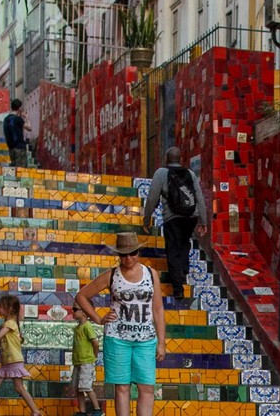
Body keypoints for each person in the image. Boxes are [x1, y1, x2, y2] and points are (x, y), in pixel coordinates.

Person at [74, 232, 165, 416]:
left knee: (147, 388)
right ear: (118, 255)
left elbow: (157, 309)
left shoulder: (151, 274)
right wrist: (99, 319)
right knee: (122, 388)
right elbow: (82, 296)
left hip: (146, 339)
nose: (128, 258)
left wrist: (162, 342)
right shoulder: (112, 275)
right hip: (117, 339)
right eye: (123, 254)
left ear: (139, 252)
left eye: (133, 253)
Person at [141, 146, 207, 303]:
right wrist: (203, 220)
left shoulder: (161, 173)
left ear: (166, 158)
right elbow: (199, 197)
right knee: (184, 244)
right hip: (190, 217)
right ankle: (183, 274)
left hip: (173, 217)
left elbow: (152, 198)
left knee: (173, 249)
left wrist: (146, 218)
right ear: (181, 159)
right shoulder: (190, 173)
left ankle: (178, 289)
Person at [70, 305, 102, 416]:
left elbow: (95, 343)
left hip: (86, 362)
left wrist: (94, 356)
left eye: (75, 309)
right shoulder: (77, 328)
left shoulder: (87, 326)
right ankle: (82, 411)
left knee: (86, 387)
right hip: (78, 362)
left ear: (84, 312)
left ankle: (97, 409)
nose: (72, 311)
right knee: (78, 388)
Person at [3, 99, 31, 168]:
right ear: (19, 108)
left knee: (14, 168)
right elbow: (29, 128)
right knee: (21, 170)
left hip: (11, 147)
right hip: (20, 146)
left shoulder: (6, 119)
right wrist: (26, 117)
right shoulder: (18, 119)